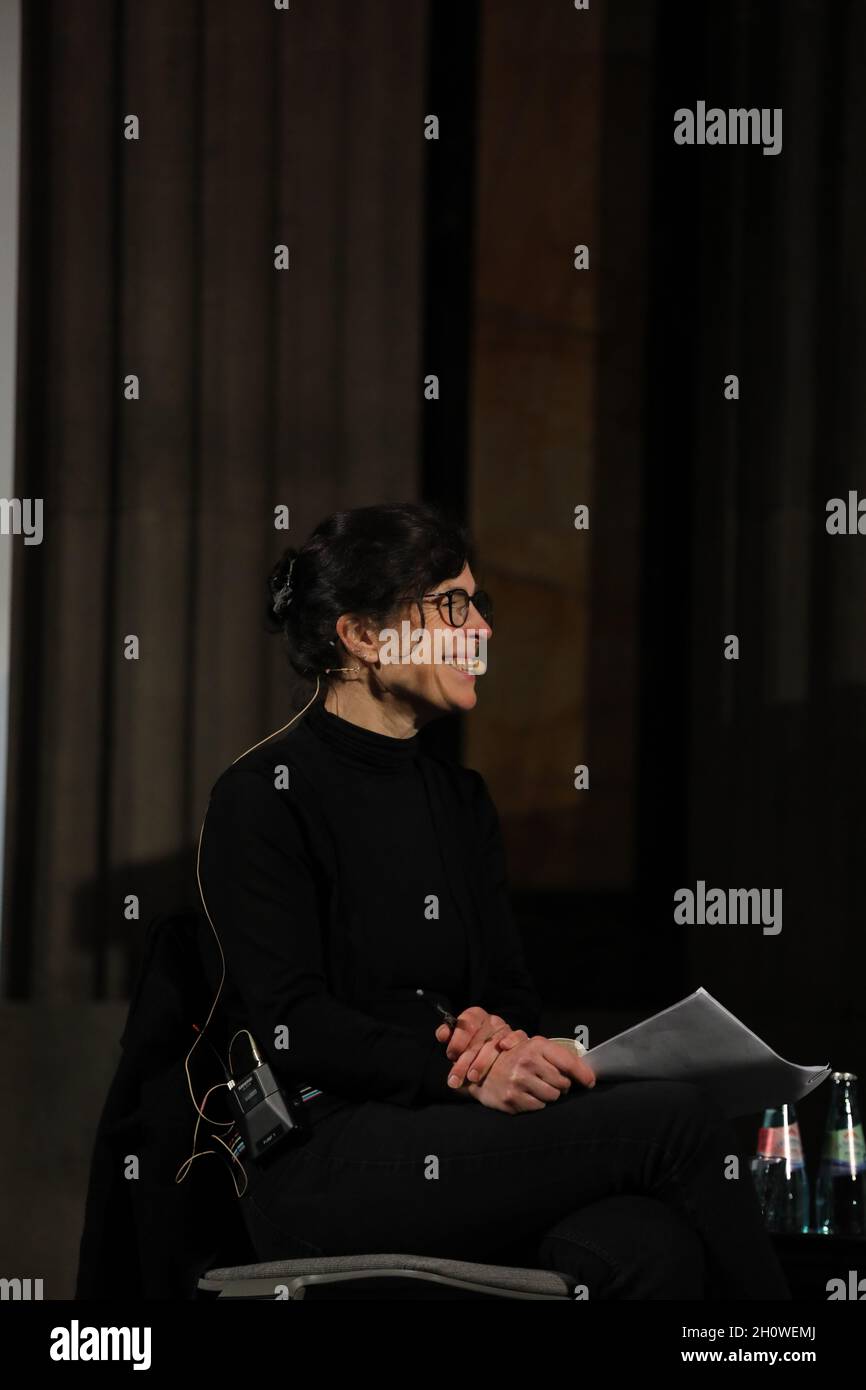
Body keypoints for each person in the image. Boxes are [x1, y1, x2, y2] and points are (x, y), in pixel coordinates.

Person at [196, 501, 791, 1300]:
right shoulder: (264, 796)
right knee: (675, 1118)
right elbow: (295, 1023)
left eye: (477, 604)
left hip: (450, 1131)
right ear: (364, 637)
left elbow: (508, 990)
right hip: (321, 1151)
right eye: (450, 605)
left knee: (647, 1245)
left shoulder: (459, 798)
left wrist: (500, 1035)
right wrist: (459, 1066)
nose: (479, 629)